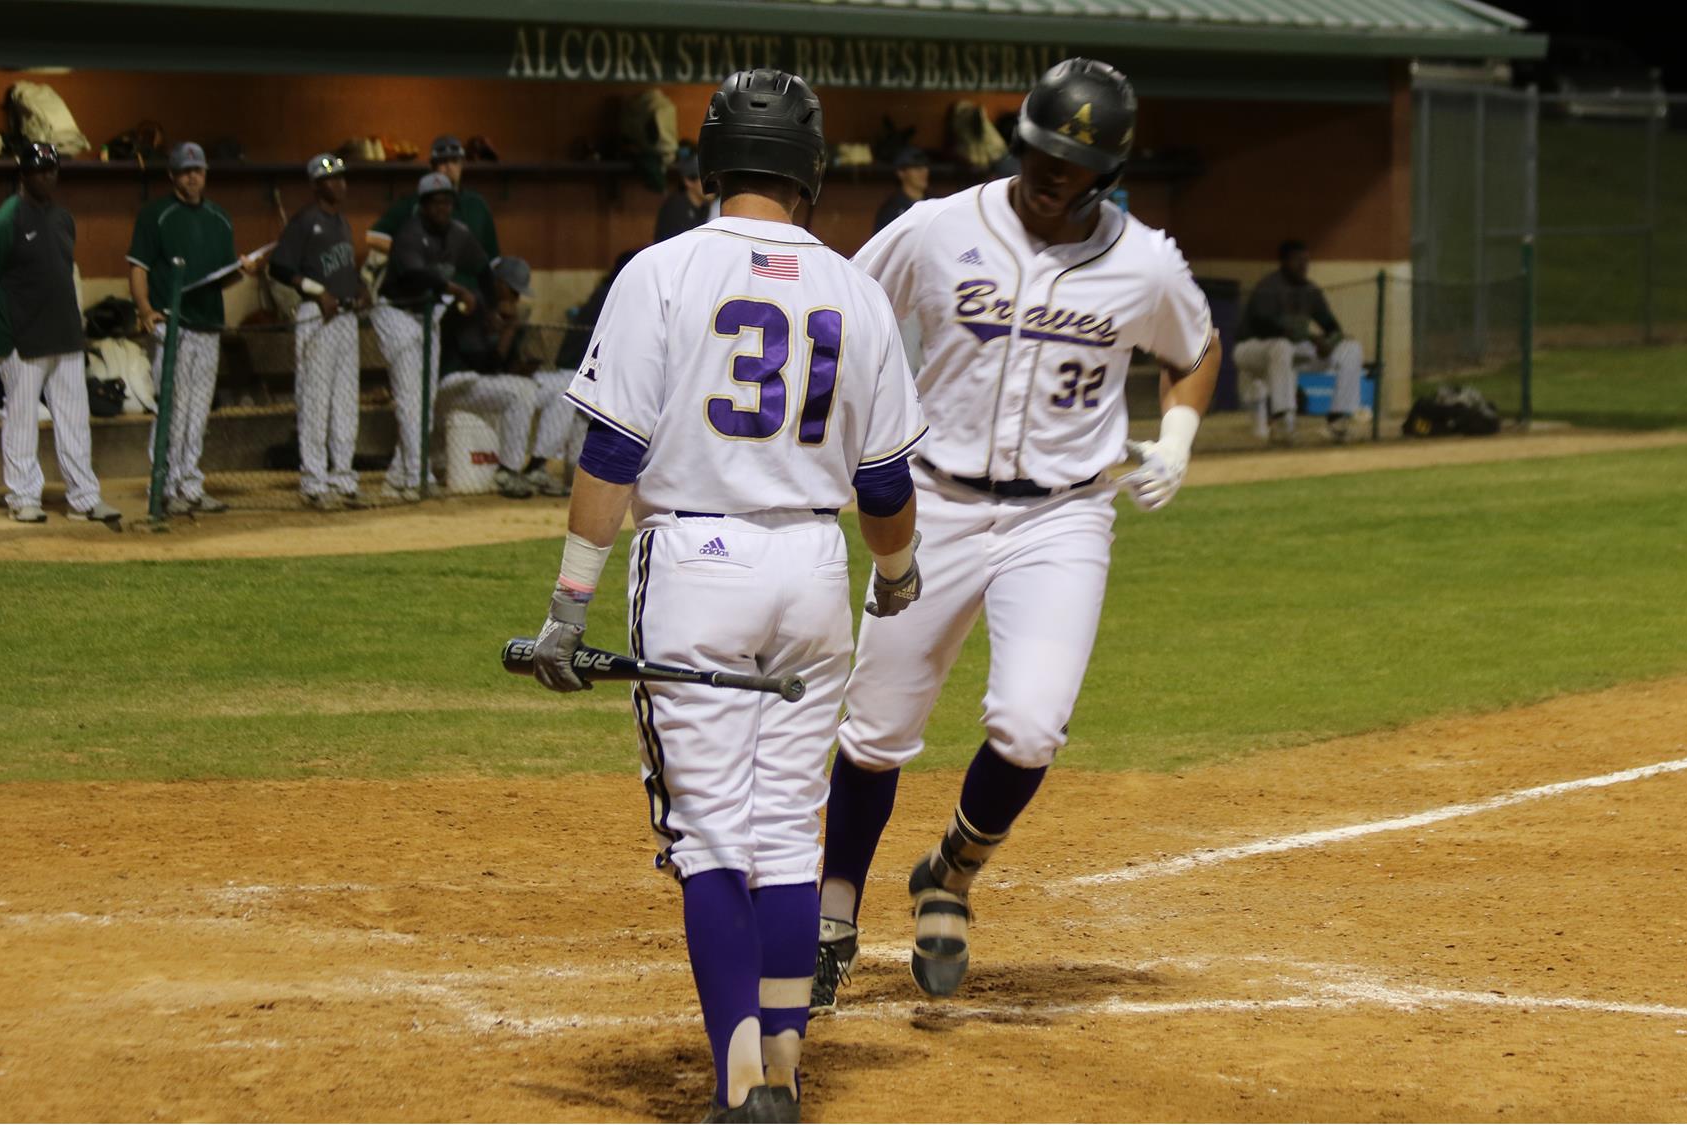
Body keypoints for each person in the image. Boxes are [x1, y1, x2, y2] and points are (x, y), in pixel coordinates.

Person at [525, 68, 926, 1124]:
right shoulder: (856, 289)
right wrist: (895, 574)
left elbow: (612, 449)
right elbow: (884, 485)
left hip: (694, 565)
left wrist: (570, 604)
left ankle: (736, 1082)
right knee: (792, 833)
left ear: (708, 165)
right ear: (810, 176)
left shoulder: (659, 270)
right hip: (812, 570)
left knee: (710, 838)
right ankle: (787, 1070)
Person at [810, 58, 1221, 1009]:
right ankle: (833, 916)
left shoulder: (1144, 261)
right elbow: (846, 312)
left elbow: (1195, 348)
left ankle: (950, 871)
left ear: (1106, 175)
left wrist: (1183, 436)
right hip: (930, 500)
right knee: (875, 728)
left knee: (1031, 725)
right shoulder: (941, 226)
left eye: (1069, 161)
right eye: (1037, 148)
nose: (1046, 170)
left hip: (1065, 511)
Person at [0, 142, 121, 525]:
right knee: (22, 418)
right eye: (39, 169)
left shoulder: (63, 219)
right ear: (22, 173)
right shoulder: (4, 221)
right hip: (20, 339)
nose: (47, 175)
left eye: (52, 168)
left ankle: (84, 497)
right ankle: (23, 496)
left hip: (63, 335)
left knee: (75, 418)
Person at [127, 141, 258, 514]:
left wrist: (244, 271)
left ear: (205, 173)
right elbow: (138, 266)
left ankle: (190, 484)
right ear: (172, 175)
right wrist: (145, 309)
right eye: (185, 171)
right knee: (172, 409)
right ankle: (164, 487)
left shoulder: (220, 218)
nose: (192, 176)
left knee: (197, 413)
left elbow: (222, 279)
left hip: (208, 324)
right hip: (173, 323)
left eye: (197, 170)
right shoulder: (156, 214)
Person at [371, 172, 488, 501]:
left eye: (447, 201)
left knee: (423, 401)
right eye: (435, 201)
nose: (442, 207)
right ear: (422, 206)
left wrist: (487, 302)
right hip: (396, 315)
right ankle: (415, 477)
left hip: (426, 318)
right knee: (411, 400)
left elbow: (484, 267)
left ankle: (398, 477)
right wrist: (455, 289)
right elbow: (415, 273)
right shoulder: (410, 232)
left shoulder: (457, 235)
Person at [271, 153, 369, 510]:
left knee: (345, 400)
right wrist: (315, 290)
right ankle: (314, 480)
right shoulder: (304, 221)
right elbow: (280, 268)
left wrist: (359, 287)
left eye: (342, 177)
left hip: (345, 318)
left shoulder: (341, 222)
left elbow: (344, 269)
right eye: (332, 179)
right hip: (317, 316)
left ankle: (343, 476)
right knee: (314, 399)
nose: (340, 184)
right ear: (316, 185)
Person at [1234, 239, 1367, 443]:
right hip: (1251, 349)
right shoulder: (1268, 287)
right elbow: (1266, 327)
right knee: (1282, 346)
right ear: (1284, 262)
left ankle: (1339, 420)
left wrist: (1330, 342)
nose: (1304, 265)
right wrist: (1313, 338)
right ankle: (1282, 423)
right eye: (1298, 260)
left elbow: (1333, 327)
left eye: (1306, 260)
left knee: (1351, 348)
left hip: (1293, 350)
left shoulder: (1310, 290)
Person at [435, 256, 542, 499]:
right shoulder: (472, 304)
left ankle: (532, 467)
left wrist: (519, 364)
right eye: (513, 291)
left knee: (530, 387)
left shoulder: (496, 311)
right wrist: (507, 332)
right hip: (452, 383)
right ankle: (508, 470)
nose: (515, 299)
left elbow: (498, 365)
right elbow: (483, 364)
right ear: (500, 284)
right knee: (520, 392)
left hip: (475, 384)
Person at [364, 135, 499, 298]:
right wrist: (414, 252)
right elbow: (373, 237)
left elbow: (492, 259)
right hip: (428, 294)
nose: (449, 167)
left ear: (462, 164)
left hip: (470, 294)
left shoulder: (476, 205)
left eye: (454, 161)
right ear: (432, 166)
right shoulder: (414, 202)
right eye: (443, 162)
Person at [654, 153, 716, 243]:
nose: (714, 184)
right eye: (707, 179)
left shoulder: (705, 207)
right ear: (688, 181)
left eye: (714, 179)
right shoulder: (676, 207)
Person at [872, 146, 930, 233]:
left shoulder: (934, 202)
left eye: (925, 166)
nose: (924, 171)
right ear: (901, 173)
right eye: (917, 168)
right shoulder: (890, 210)